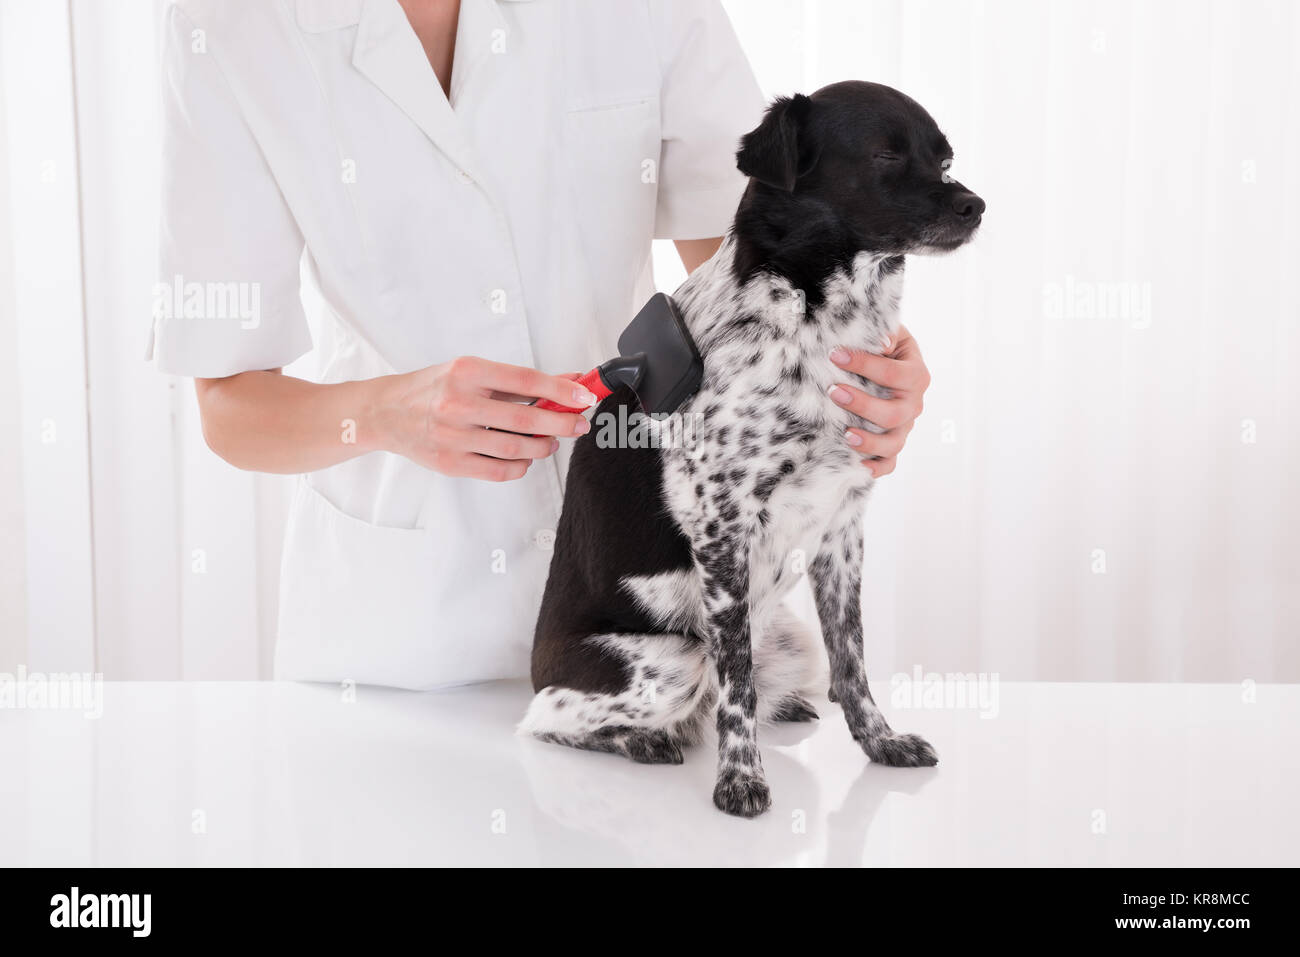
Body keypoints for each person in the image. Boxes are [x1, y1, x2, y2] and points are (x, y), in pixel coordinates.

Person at [148, 0, 932, 689]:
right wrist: (387, 413)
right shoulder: (226, 26)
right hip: (402, 646)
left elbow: (759, 259)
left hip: (656, 607)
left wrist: (867, 383)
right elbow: (229, 404)